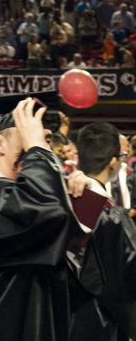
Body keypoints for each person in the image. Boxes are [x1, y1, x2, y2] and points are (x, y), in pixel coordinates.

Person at [0, 93, 74, 341]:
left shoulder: (30, 191)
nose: (39, 144)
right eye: (30, 134)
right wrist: (38, 151)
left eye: (44, 139)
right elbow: (44, 213)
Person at [64, 123, 136, 341]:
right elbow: (128, 280)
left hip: (54, 320)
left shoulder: (57, 202)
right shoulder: (111, 216)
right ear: (114, 162)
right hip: (101, 324)